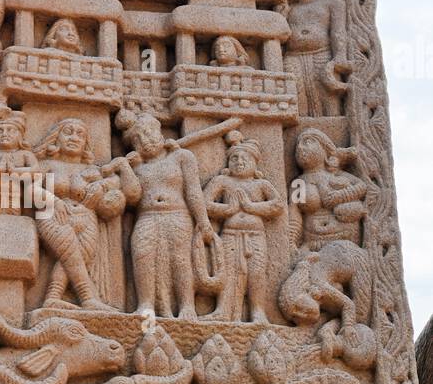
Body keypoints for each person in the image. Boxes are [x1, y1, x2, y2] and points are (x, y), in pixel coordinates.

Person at [105, 109, 216, 319]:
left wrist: (202, 220)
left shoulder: (181, 157)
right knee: (142, 254)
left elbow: (193, 191)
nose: (146, 141)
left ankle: (187, 306)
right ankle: (145, 305)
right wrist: (126, 168)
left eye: (149, 133)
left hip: (177, 214)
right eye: (138, 140)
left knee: (180, 259)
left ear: (160, 132)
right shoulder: (136, 166)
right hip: (147, 216)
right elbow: (132, 197)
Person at [34, 117, 124, 310]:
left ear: (85, 143)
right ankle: (89, 298)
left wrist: (102, 184)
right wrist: (52, 200)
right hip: (54, 214)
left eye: (80, 134)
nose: (74, 137)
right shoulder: (46, 165)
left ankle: (52, 297)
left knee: (77, 257)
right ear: (56, 139)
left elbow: (116, 181)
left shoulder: (90, 169)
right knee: (71, 254)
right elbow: (26, 187)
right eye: (68, 132)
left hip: (87, 218)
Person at [203, 133, 282, 322]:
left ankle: (257, 312)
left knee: (256, 272)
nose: (239, 162)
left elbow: (277, 205)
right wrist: (227, 209)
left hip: (255, 235)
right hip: (230, 233)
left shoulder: (261, 184)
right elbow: (204, 203)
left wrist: (251, 207)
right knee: (229, 271)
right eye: (234, 158)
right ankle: (223, 310)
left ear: (255, 163)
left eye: (245, 158)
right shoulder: (222, 182)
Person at [283, 0, 352, 117]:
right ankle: (300, 124)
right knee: (296, 93)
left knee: (328, 94)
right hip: (294, 57)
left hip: (322, 54)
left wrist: (340, 56)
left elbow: (338, 31)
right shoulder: (290, 8)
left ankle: (333, 125)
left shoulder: (332, 2)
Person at [290, 127, 366, 251]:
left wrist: (341, 195)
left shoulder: (336, 175)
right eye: (298, 145)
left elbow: (362, 187)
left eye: (308, 142)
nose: (300, 148)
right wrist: (291, 240)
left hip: (344, 238)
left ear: (325, 150)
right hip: (312, 242)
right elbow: (294, 211)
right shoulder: (298, 183)